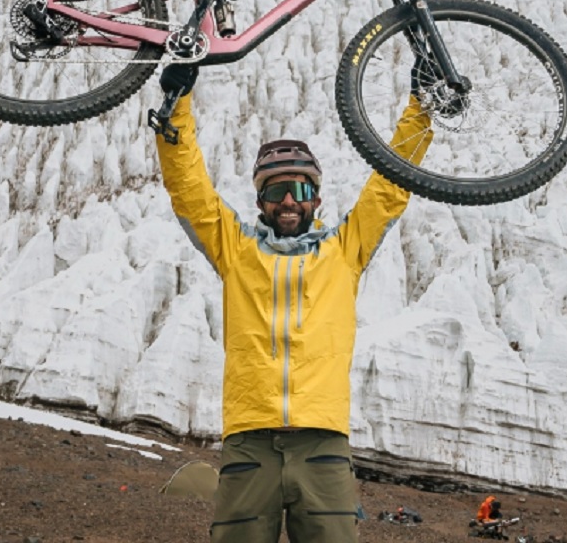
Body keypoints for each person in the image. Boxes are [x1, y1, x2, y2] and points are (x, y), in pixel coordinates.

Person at [155, 62, 432, 543]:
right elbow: (190, 190)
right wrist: (177, 104)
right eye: (277, 191)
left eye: (300, 190)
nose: (289, 202)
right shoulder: (236, 251)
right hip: (249, 444)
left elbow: (389, 188)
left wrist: (422, 109)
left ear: (316, 199)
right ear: (260, 199)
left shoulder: (344, 251)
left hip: (322, 444)